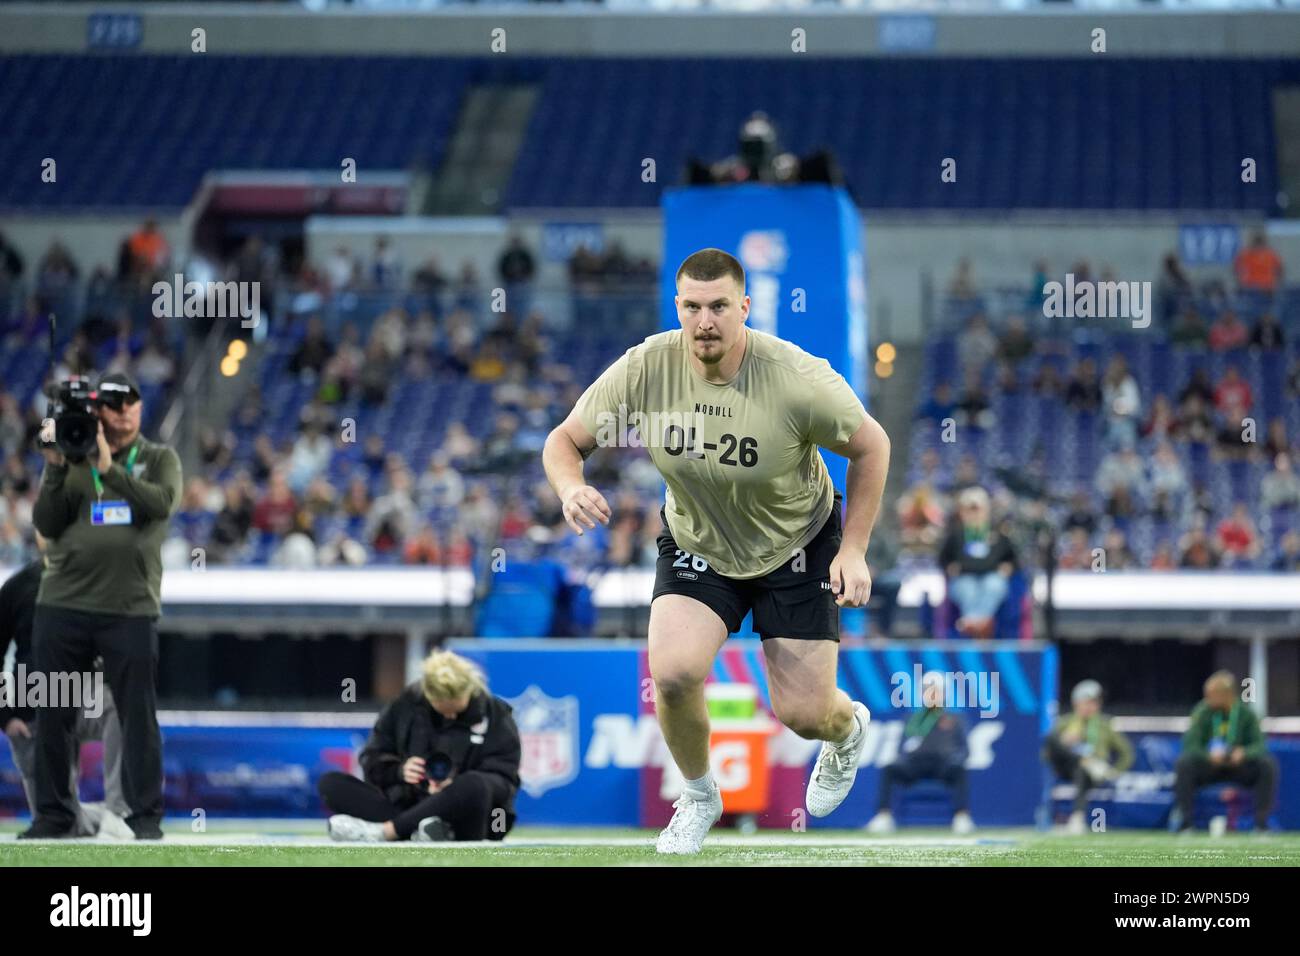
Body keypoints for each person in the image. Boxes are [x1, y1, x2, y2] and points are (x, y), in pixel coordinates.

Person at [543, 248, 890, 854]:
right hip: (697, 540)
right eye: (693, 307)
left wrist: (854, 549)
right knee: (674, 674)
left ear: (744, 309)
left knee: (806, 715)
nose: (706, 321)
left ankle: (847, 728)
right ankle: (700, 796)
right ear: (677, 307)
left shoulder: (796, 378)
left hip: (797, 544)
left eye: (720, 307)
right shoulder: (646, 368)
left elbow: (873, 446)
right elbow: (564, 440)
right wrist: (571, 487)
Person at [22, 371, 181, 839]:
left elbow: (161, 504)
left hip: (129, 605)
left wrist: (110, 468)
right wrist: (54, 464)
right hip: (63, 602)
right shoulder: (73, 457)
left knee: (137, 713)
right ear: (98, 414)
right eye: (115, 406)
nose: (126, 412)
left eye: (132, 404)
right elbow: (47, 523)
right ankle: (53, 816)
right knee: (53, 709)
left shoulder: (158, 458)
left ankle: (145, 815)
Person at [0, 532, 133, 839]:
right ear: (38, 534)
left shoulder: (97, 582)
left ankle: (119, 811)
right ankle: (101, 817)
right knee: (58, 825)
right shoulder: (18, 587)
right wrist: (6, 716)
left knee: (122, 706)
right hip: (33, 703)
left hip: (81, 692)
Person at [320, 650, 521, 842]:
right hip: (408, 805)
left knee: (476, 784)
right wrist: (399, 771)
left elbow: (505, 781)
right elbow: (372, 758)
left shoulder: (496, 715)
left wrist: (452, 787)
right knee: (331, 783)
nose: (449, 717)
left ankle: (388, 832)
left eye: (456, 711)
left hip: (467, 816)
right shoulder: (403, 706)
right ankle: (421, 830)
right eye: (442, 710)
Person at [865, 671, 973, 835]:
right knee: (889, 768)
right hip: (915, 765)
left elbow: (965, 749)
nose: (931, 694)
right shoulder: (913, 718)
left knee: (959, 770)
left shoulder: (955, 718)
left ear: (945, 692)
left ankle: (961, 816)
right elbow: (901, 747)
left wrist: (955, 759)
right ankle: (883, 816)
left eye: (935, 690)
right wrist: (905, 757)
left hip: (943, 766)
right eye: (927, 689)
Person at [1172, 671, 1277, 833]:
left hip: (1238, 766)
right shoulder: (1202, 712)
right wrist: (1209, 756)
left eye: (1212, 695)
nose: (1207, 699)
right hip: (1211, 766)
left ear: (1227, 695)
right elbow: (1190, 745)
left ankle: (1261, 824)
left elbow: (1260, 745)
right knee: (1184, 764)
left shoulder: (1246, 714)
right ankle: (1185, 823)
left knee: (1266, 765)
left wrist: (1244, 753)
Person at [1043, 680, 1133, 834]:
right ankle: (1081, 761)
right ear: (1076, 703)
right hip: (1066, 766)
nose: (1090, 706)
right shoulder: (1065, 722)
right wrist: (1066, 742)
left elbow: (1127, 752)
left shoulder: (1104, 725)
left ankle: (1077, 818)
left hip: (1093, 770)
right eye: (1086, 702)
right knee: (1054, 739)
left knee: (1082, 770)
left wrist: (1115, 771)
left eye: (1093, 702)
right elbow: (1048, 752)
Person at [939, 486, 1017, 639]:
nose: (974, 514)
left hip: (992, 576)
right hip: (964, 578)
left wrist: (1009, 566)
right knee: (968, 589)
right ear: (962, 512)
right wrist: (949, 567)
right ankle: (981, 626)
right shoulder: (955, 535)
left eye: (977, 509)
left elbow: (1012, 558)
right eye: (969, 509)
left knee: (993, 585)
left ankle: (972, 623)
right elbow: (943, 559)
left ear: (986, 510)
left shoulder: (999, 534)